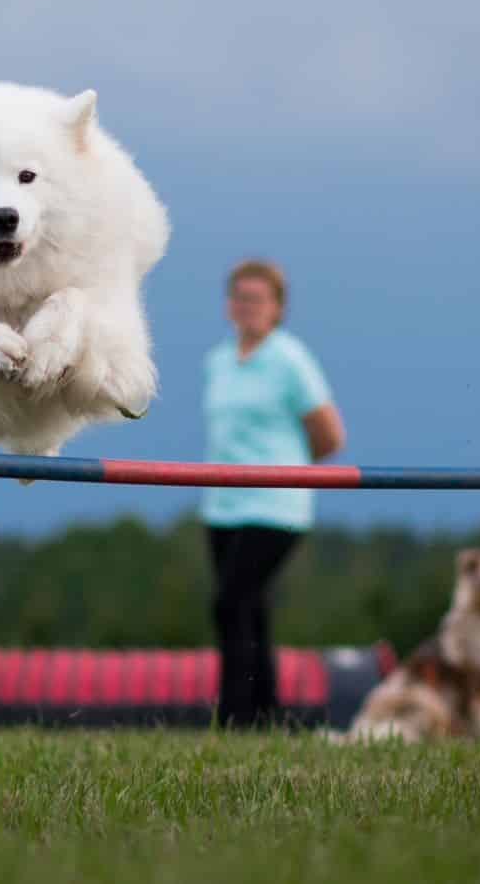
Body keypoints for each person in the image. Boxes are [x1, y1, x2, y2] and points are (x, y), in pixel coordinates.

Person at [201, 259, 346, 728]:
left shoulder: (290, 358)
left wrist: (289, 469)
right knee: (250, 609)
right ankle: (265, 712)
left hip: (275, 504)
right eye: (240, 298)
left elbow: (329, 435)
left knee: (231, 602)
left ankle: (237, 714)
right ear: (228, 305)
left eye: (257, 299)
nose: (247, 308)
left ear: (277, 308)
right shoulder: (218, 360)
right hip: (222, 504)